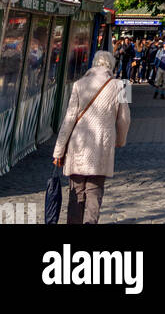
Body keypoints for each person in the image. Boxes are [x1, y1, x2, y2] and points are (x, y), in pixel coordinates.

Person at [52, 49, 130, 225]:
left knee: (76, 192)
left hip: (78, 145)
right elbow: (125, 119)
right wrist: (120, 141)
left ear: (94, 64)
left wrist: (58, 150)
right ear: (111, 65)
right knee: (94, 192)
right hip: (101, 145)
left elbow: (69, 120)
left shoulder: (79, 84)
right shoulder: (122, 85)